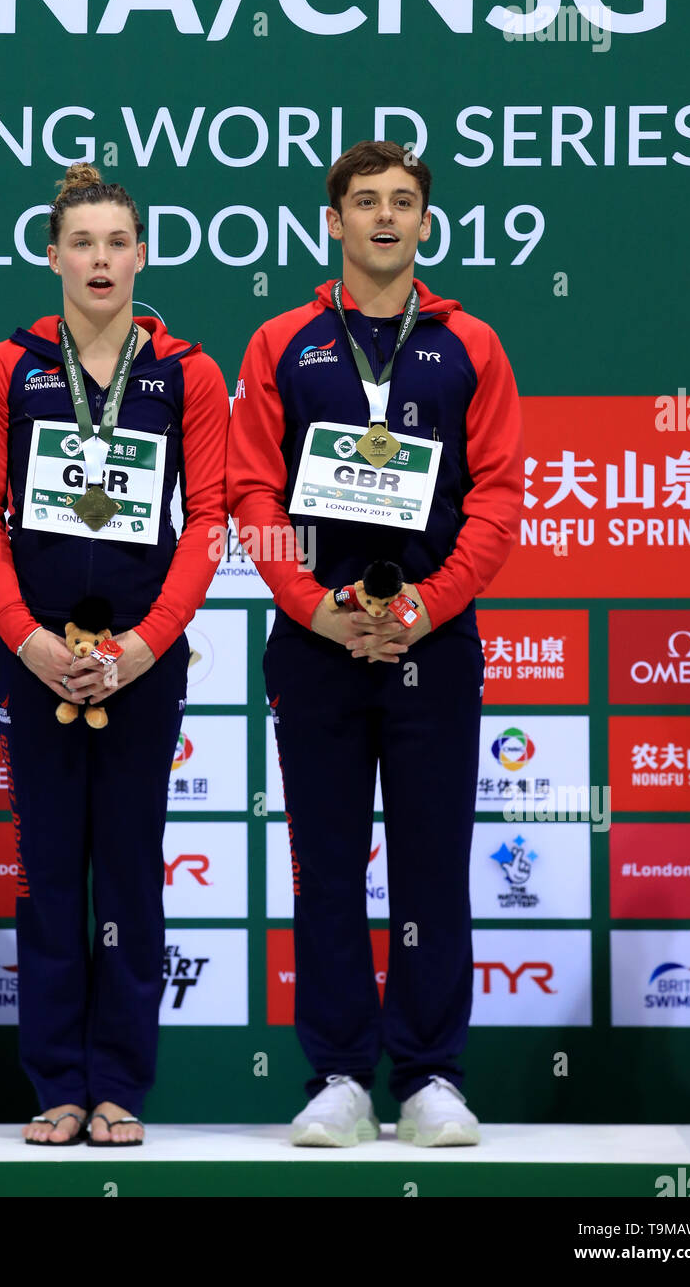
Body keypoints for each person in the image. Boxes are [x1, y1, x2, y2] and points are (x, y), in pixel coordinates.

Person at [227, 140, 524, 1147]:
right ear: (335, 222)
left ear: (426, 223)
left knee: (432, 863)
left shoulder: (470, 343)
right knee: (326, 862)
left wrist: (426, 606)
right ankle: (341, 1076)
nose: (386, 218)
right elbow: (251, 493)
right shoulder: (283, 343)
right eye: (366, 202)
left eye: (404, 202)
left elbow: (498, 495)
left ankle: (431, 1074)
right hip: (314, 644)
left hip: (432, 642)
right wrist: (314, 606)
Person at [0, 163, 229, 1146]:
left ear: (142, 254)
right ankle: (56, 1084)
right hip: (34, 655)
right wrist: (25, 639)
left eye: (119, 242)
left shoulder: (186, 370)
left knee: (129, 871)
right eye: (83, 242)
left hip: (142, 664)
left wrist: (148, 645)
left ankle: (119, 1083)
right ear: (52, 255)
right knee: (50, 869)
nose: (102, 259)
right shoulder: (6, 366)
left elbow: (209, 525)